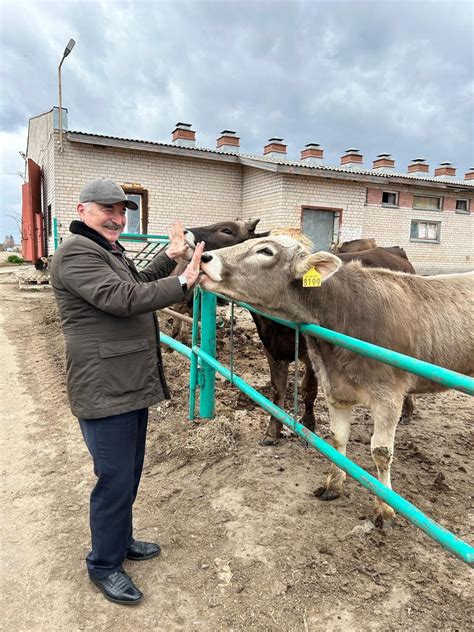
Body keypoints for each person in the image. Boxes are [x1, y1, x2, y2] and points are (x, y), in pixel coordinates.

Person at [50, 178, 204, 605]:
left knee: (129, 473)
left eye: (122, 211)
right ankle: (103, 564)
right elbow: (122, 299)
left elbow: (138, 283)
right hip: (104, 386)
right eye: (107, 210)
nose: (117, 218)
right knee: (114, 479)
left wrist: (168, 258)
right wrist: (184, 282)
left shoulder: (106, 250)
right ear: (82, 211)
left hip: (127, 382)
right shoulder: (76, 254)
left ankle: (121, 540)